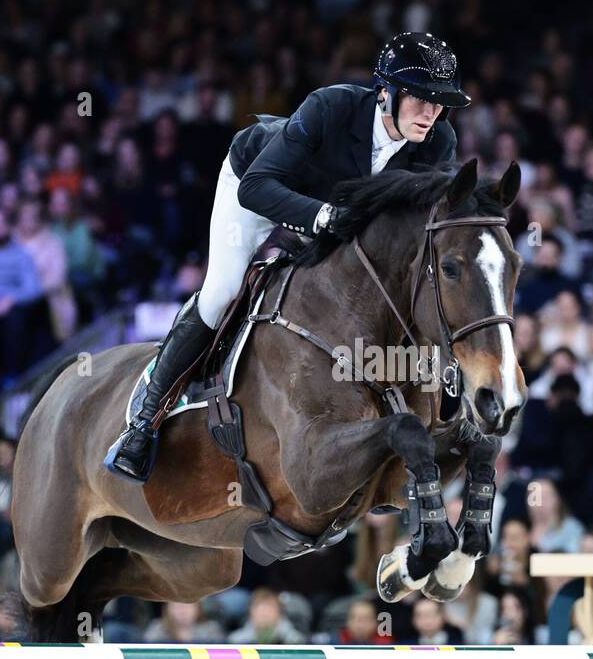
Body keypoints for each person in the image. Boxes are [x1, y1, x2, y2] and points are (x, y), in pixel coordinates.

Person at [106, 32, 471, 482]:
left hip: (337, 214)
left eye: (441, 103)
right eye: (422, 99)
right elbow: (256, 186)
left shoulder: (439, 143)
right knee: (221, 292)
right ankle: (146, 419)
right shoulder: (330, 107)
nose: (432, 113)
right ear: (386, 93)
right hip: (260, 187)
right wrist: (320, 217)